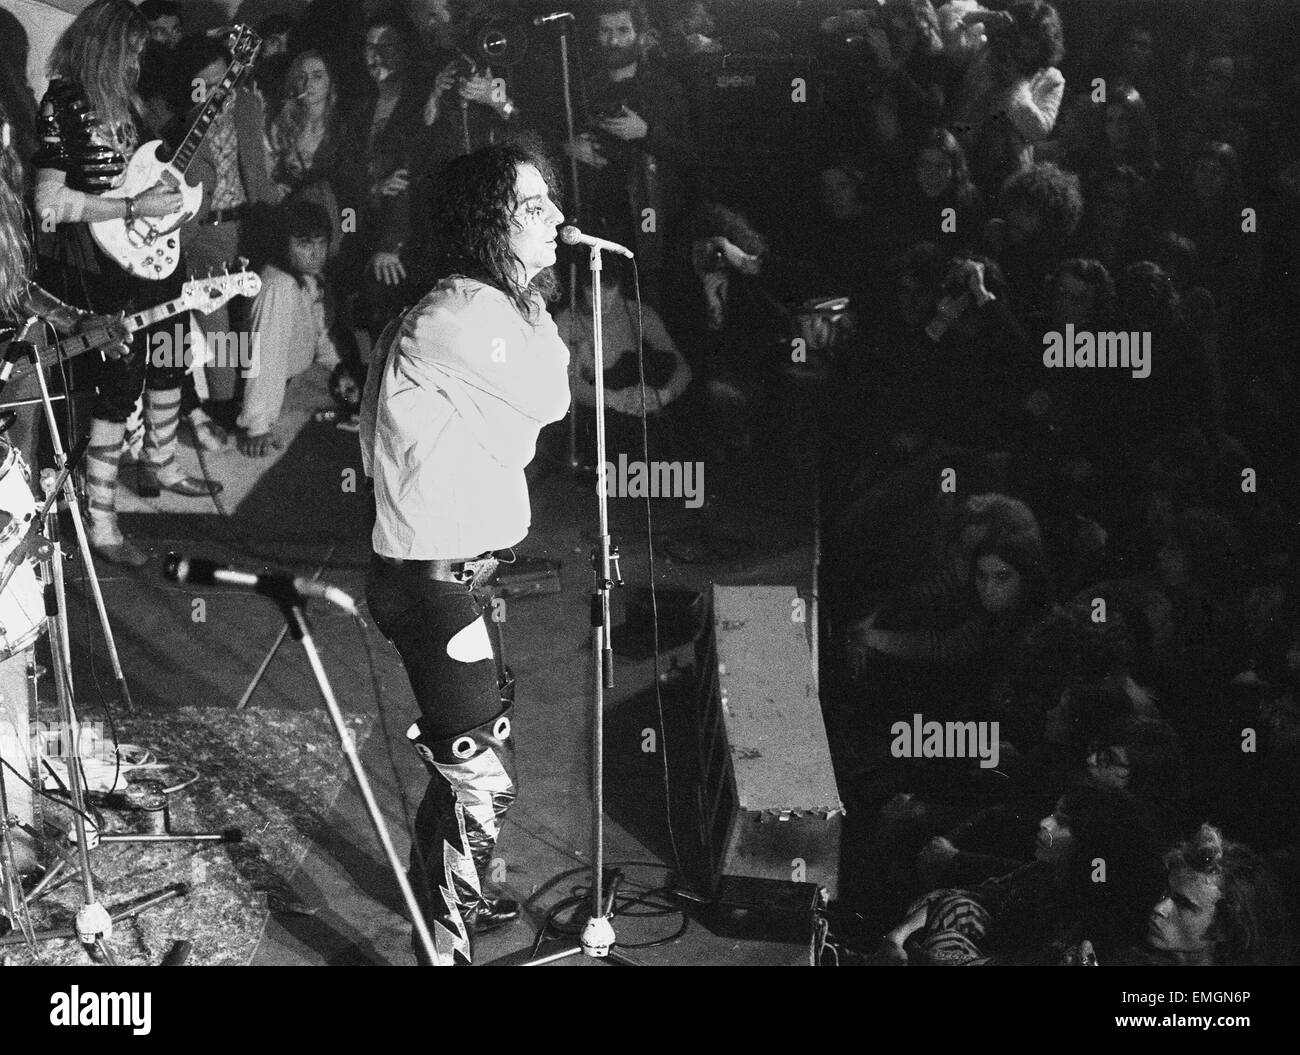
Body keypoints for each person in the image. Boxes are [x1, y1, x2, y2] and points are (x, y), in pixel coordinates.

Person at [360, 136, 569, 965]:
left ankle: (455, 895)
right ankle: (441, 950)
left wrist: (531, 300)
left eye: (550, 199)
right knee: (480, 776)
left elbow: (518, 417)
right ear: (488, 224)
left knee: (476, 759)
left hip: (450, 577)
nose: (556, 217)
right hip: (433, 584)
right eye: (531, 206)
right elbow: (552, 393)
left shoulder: (482, 304)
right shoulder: (460, 313)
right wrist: (540, 304)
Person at [33, 0, 220, 568]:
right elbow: (48, 204)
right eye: (132, 50)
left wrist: (173, 207)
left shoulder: (135, 102)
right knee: (118, 383)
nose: (138, 62)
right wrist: (134, 204)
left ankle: (163, 461)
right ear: (108, 44)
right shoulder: (62, 99)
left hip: (154, 256)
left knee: (170, 355)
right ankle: (102, 521)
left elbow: (150, 169)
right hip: (95, 261)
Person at [567, 0, 699, 304]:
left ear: (638, 34)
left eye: (622, 30)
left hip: (655, 227)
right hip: (598, 225)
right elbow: (556, 141)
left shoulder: (665, 88)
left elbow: (692, 156)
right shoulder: (583, 88)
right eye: (606, 31)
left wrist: (647, 133)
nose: (613, 40)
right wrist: (569, 148)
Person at [237, 199, 360, 458]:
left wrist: (339, 369)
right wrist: (257, 426)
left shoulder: (309, 277)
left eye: (321, 242)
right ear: (284, 243)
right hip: (277, 390)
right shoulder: (277, 286)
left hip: (302, 375)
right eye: (304, 244)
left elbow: (320, 335)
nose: (316, 253)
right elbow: (264, 353)